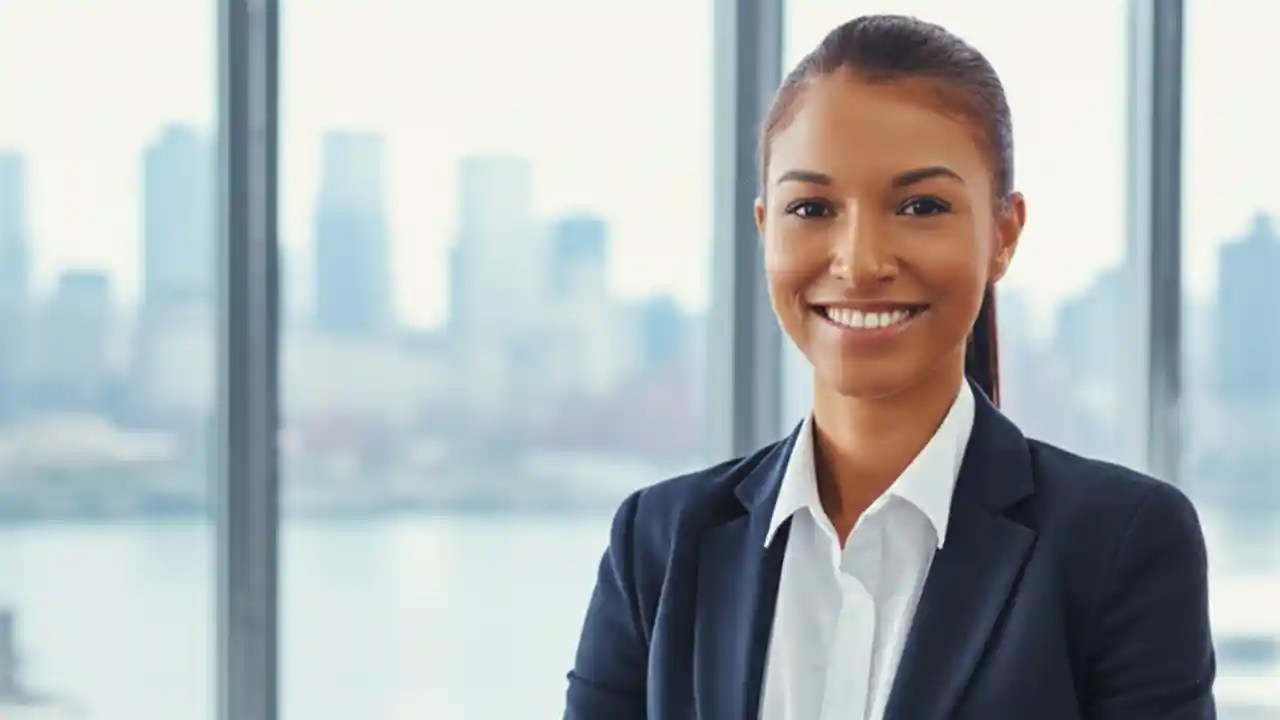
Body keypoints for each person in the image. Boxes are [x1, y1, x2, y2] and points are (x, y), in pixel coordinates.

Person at [564, 14, 1215, 720]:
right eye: (812, 207)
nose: (860, 261)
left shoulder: (1119, 543)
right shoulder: (659, 546)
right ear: (765, 230)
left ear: (1003, 234)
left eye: (920, 206)